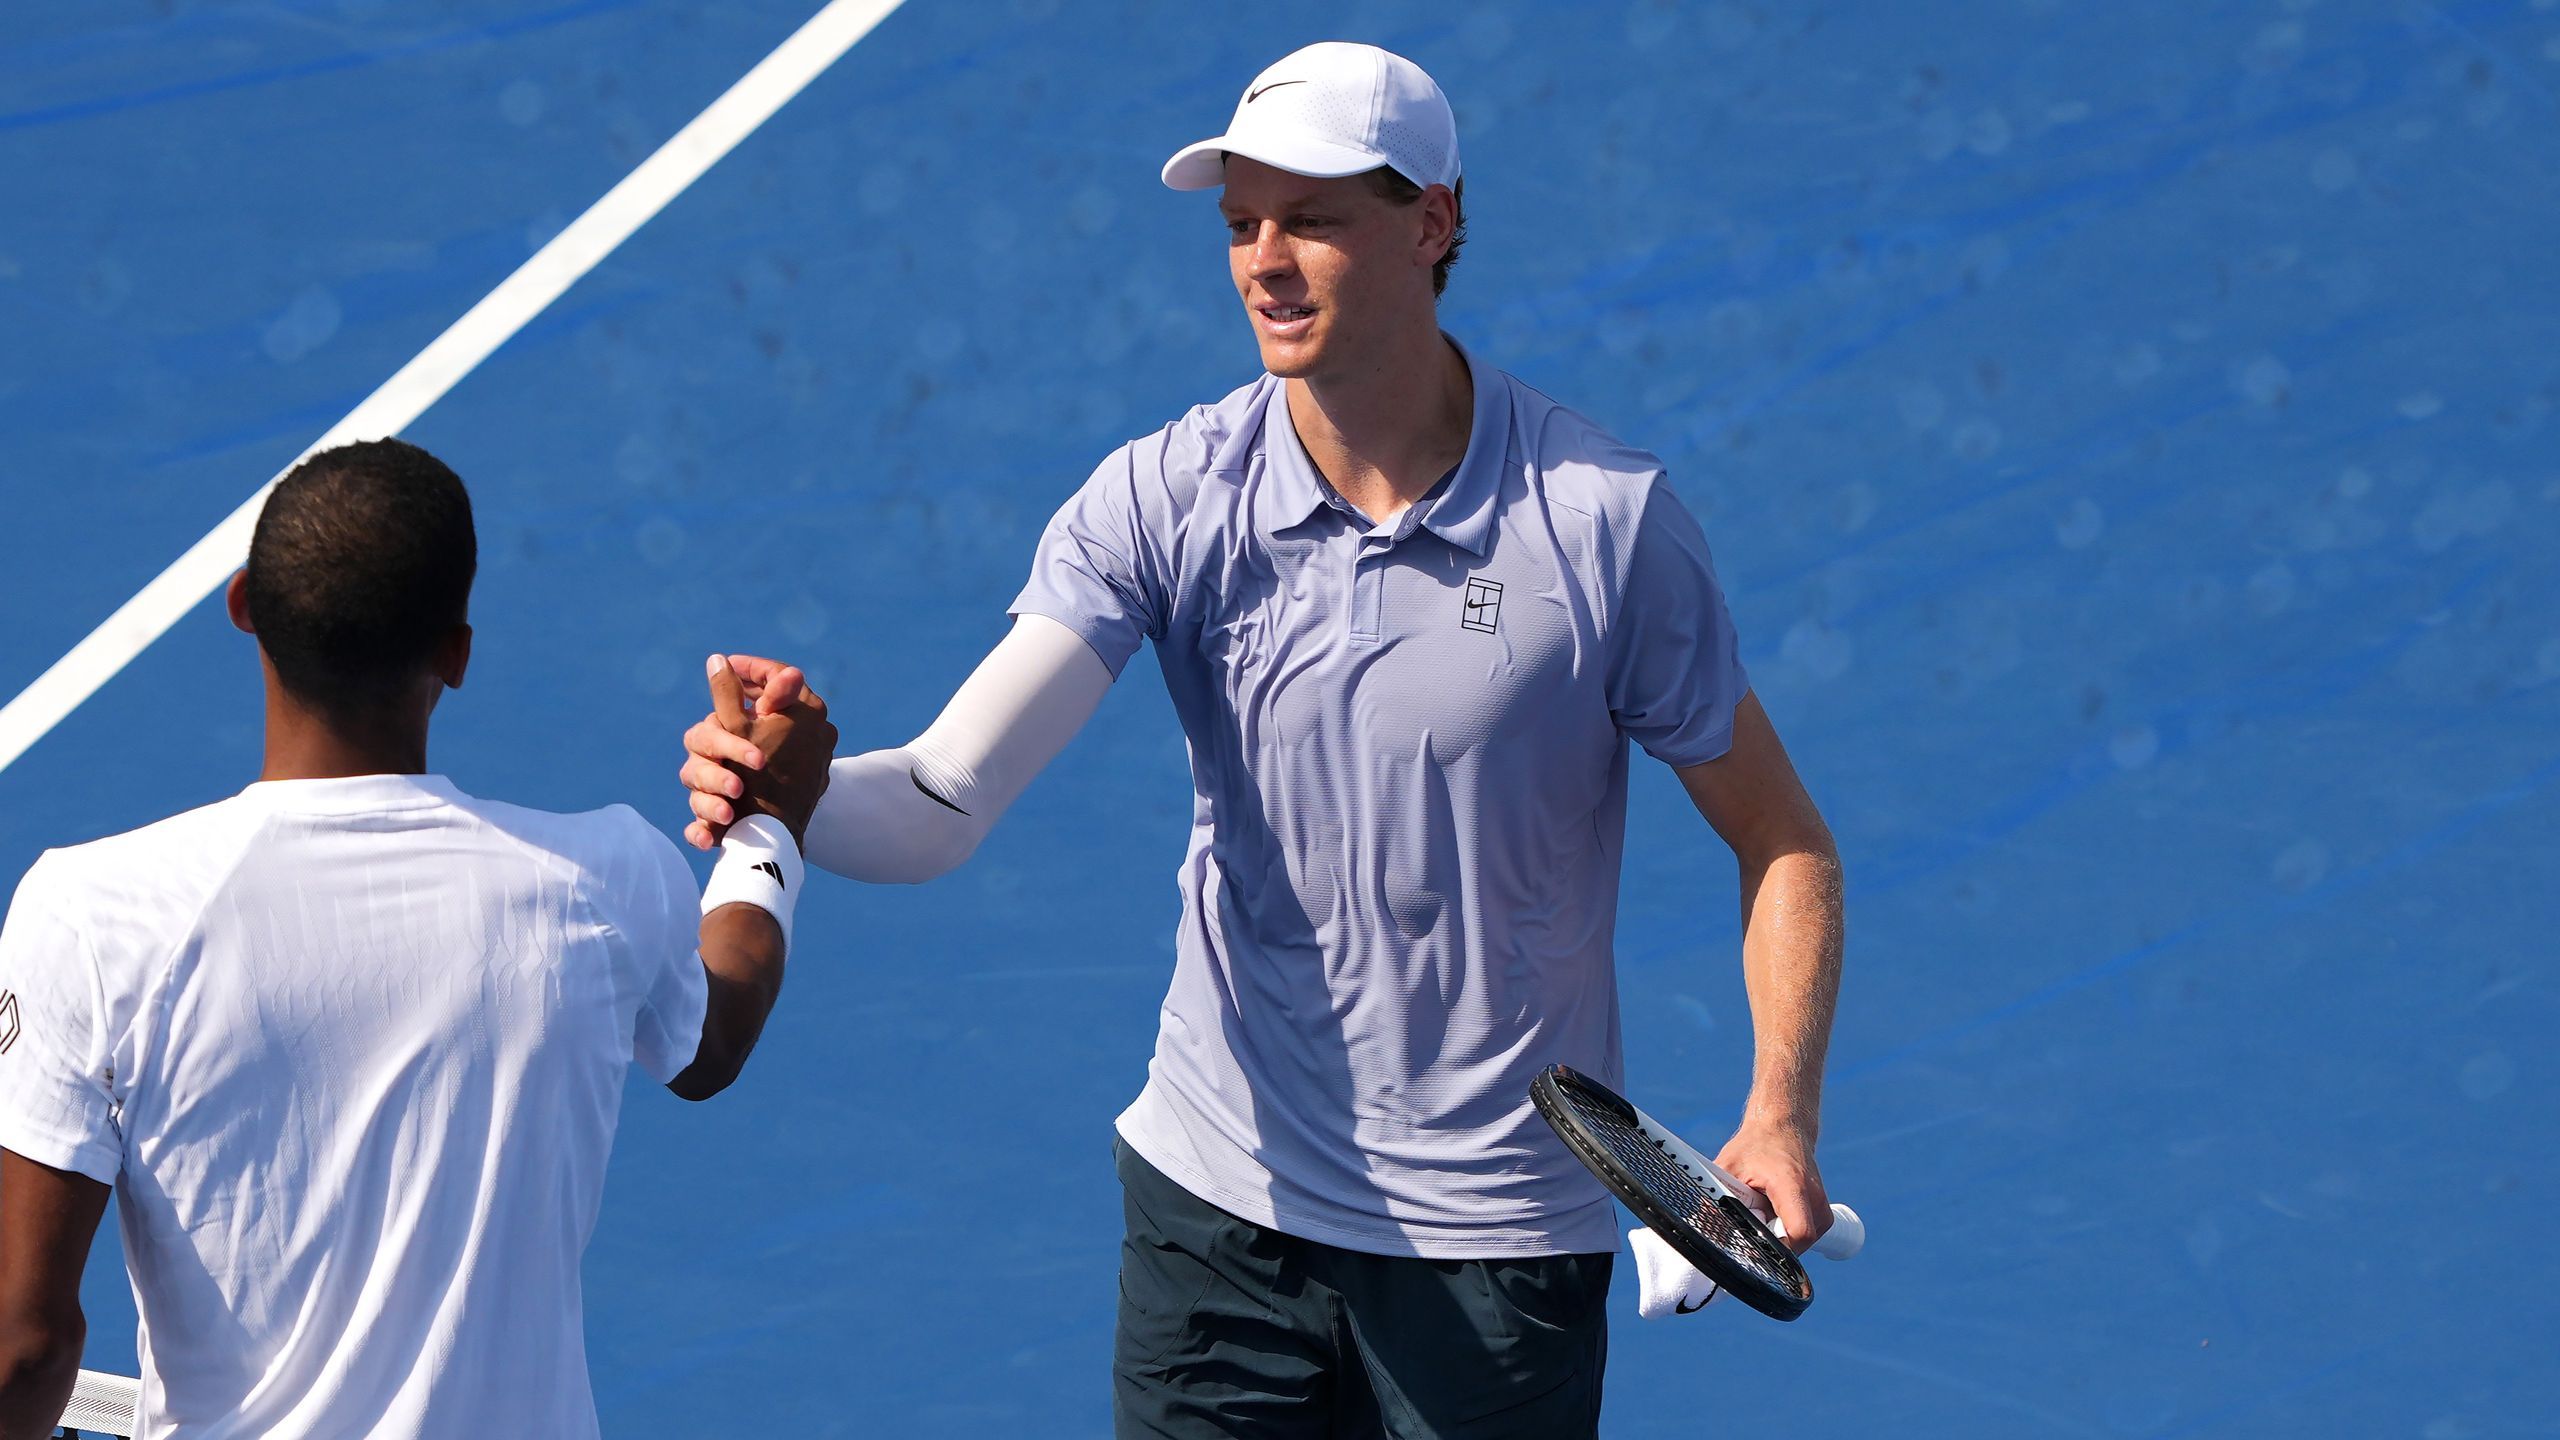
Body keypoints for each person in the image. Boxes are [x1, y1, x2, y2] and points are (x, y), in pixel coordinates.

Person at [678, 41, 1845, 1439]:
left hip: (1492, 1249)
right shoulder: (1167, 499)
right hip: (1217, 1214)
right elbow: (941, 798)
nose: (1264, 262)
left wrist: (1777, 1107)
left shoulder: (1601, 524)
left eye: (1312, 220)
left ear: (1433, 223)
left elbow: (1782, 839)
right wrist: (799, 793)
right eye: (1241, 224)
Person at [0, 440, 833, 1439]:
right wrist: (768, 823)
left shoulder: (93, 915)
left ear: (241, 607)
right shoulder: (605, 878)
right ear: (456, 653)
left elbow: (25, 1346)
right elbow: (714, 1038)